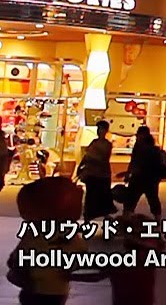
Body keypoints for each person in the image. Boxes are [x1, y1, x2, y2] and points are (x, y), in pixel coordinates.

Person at [6, 177, 93, 305]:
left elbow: (20, 253)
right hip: (55, 290)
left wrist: (17, 266)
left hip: (33, 287)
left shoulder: (34, 233)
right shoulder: (68, 234)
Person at [121, 126, 166, 220]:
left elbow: (135, 162)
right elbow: (134, 161)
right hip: (151, 179)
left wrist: (129, 173)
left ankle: (127, 215)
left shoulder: (142, 148)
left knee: (132, 198)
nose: (137, 137)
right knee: (152, 198)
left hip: (141, 177)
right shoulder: (150, 148)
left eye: (139, 134)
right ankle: (157, 218)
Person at [78, 120, 116, 221]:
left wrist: (90, 158)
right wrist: (81, 165)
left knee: (102, 194)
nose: (99, 131)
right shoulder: (94, 142)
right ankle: (89, 215)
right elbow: (87, 156)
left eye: (101, 129)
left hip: (101, 173)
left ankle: (102, 214)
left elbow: (102, 157)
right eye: (98, 129)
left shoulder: (107, 144)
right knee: (91, 194)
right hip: (92, 173)